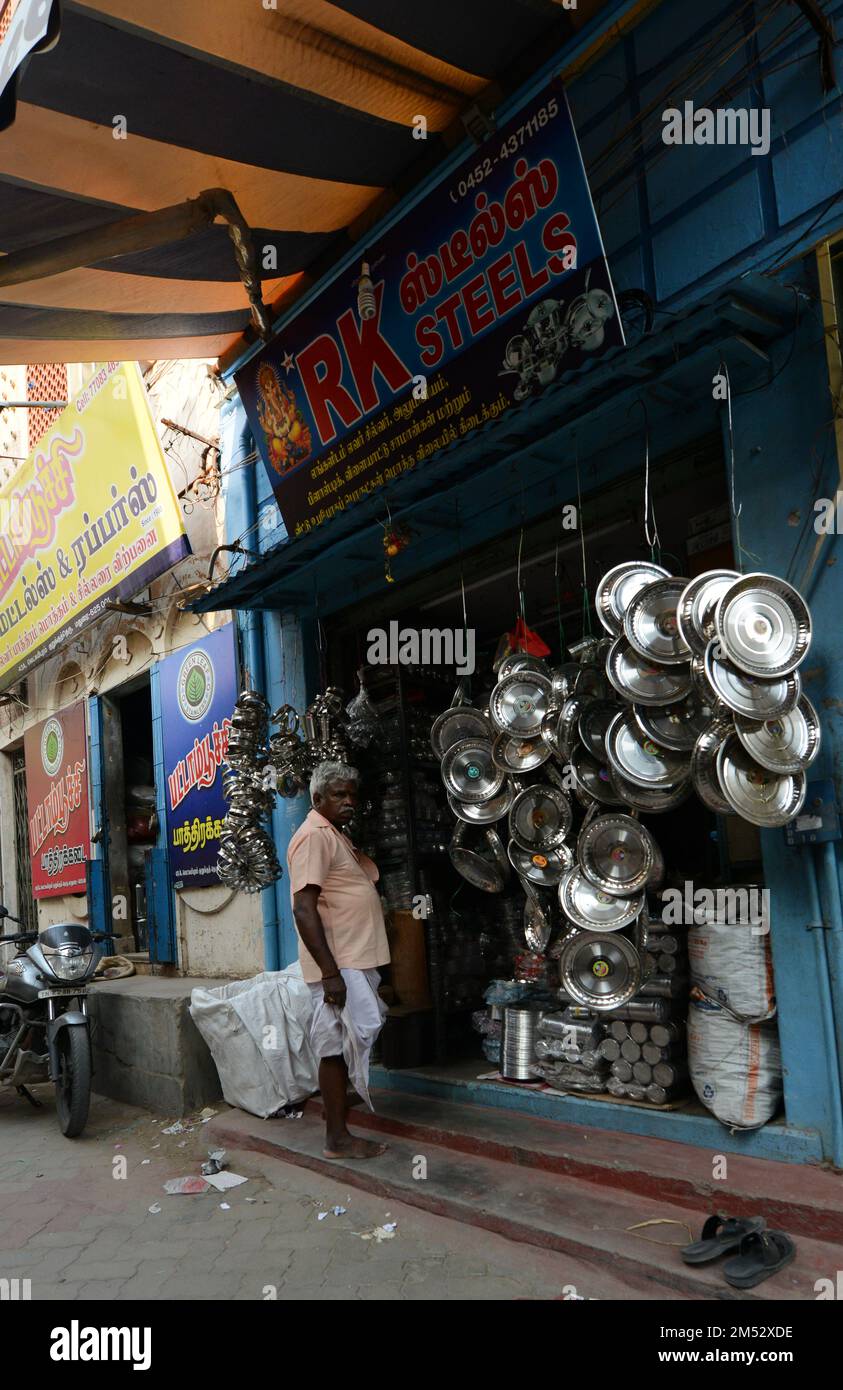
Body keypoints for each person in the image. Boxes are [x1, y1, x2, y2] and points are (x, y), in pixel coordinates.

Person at [288, 761, 390, 1160]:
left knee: (348, 1037)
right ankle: (337, 1138)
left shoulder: (333, 834)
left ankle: (340, 1106)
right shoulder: (314, 836)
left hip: (350, 959)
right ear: (317, 799)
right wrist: (331, 974)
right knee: (336, 1044)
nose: (349, 802)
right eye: (338, 795)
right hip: (339, 963)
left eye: (352, 795)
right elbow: (303, 910)